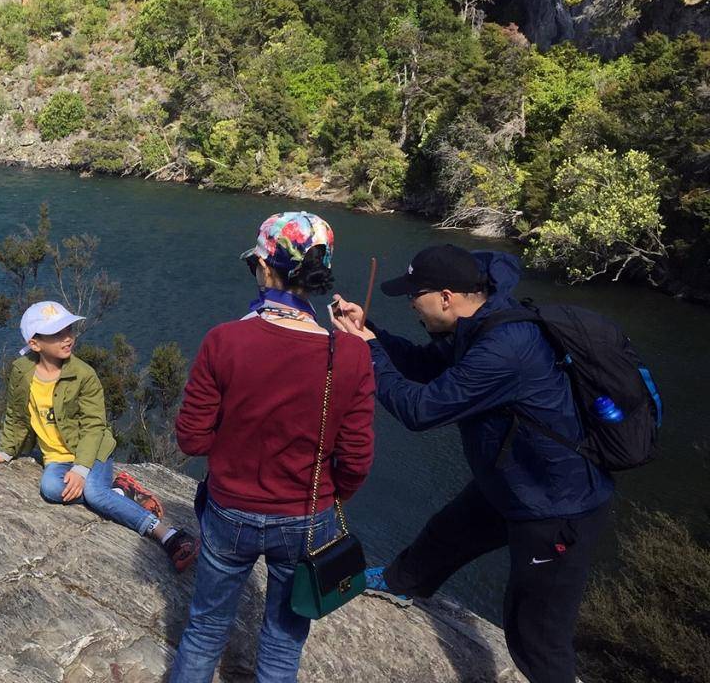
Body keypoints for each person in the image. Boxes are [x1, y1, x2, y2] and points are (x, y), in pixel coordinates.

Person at [330, 244, 613, 683]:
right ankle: (400, 584)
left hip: (557, 505)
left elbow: (420, 410)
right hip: (513, 479)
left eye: (413, 295)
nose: (410, 304)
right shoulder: (478, 325)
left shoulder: (504, 347)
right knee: (448, 533)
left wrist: (365, 352)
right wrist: (372, 334)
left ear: (446, 296)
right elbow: (425, 365)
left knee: (536, 635)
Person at [169, 212, 376, 683]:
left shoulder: (225, 340)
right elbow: (357, 458)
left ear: (266, 268)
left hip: (230, 510)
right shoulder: (350, 354)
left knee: (204, 630)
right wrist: (329, 498)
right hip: (307, 516)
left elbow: (192, 438)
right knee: (283, 644)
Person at [0, 300, 199, 572]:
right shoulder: (22, 371)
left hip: (92, 451)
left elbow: (94, 426)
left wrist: (80, 469)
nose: (67, 337)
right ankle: (122, 490)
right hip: (55, 456)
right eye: (56, 334)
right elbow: (17, 414)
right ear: (35, 344)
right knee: (51, 489)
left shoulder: (83, 375)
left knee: (95, 494)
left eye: (68, 329)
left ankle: (168, 535)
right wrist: (7, 451)